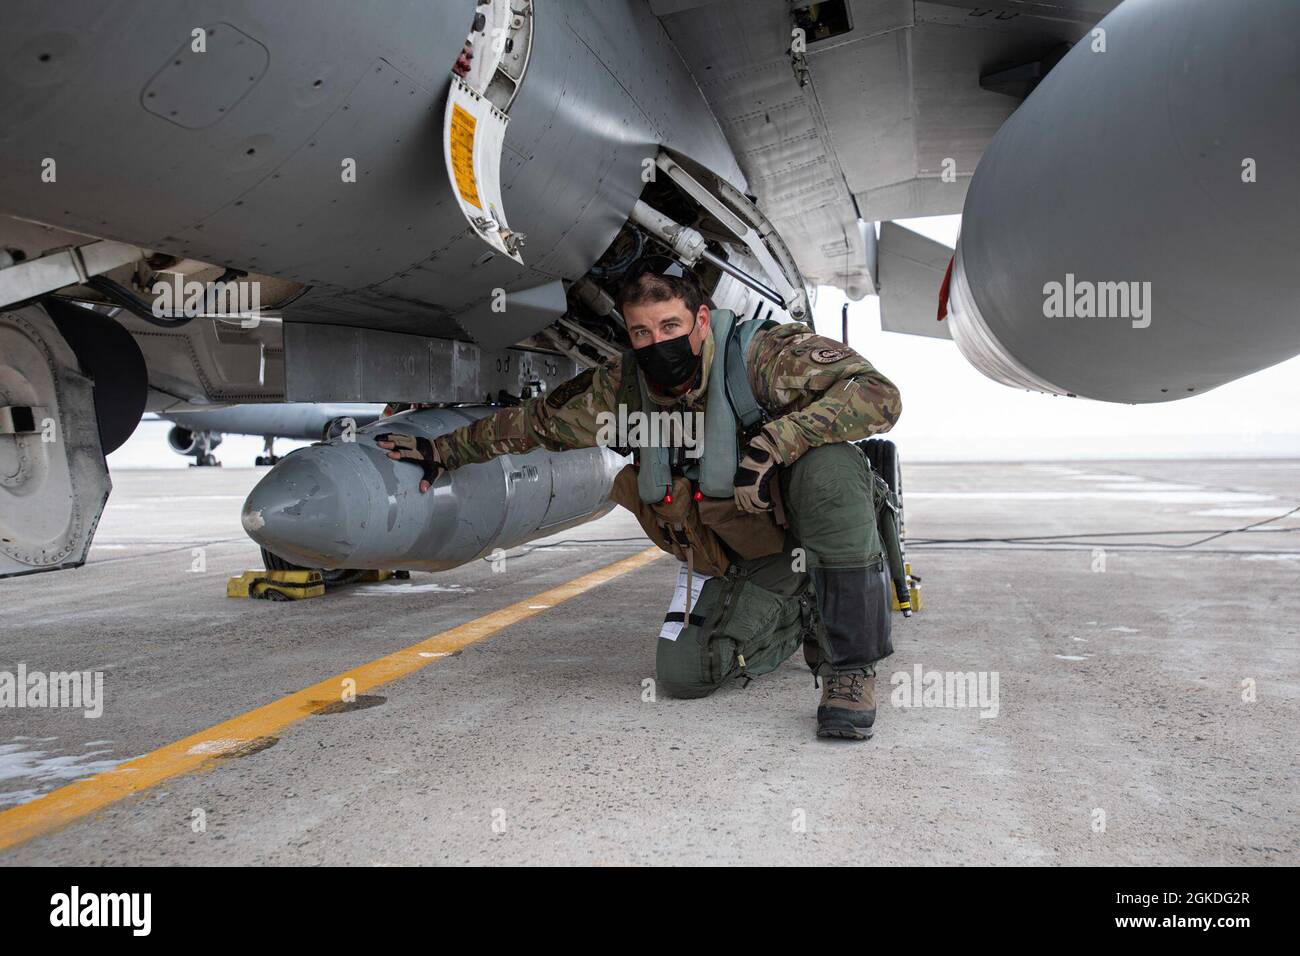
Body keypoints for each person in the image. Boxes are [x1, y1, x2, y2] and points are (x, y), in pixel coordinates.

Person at [377, 258, 902, 740]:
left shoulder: (763, 357)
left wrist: (777, 442)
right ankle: (807, 607)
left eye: (671, 327)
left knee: (828, 469)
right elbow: (534, 424)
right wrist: (441, 451)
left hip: (805, 523)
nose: (658, 343)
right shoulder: (625, 390)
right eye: (642, 333)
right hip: (757, 558)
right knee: (683, 675)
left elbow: (878, 394)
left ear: (700, 320)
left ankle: (850, 670)